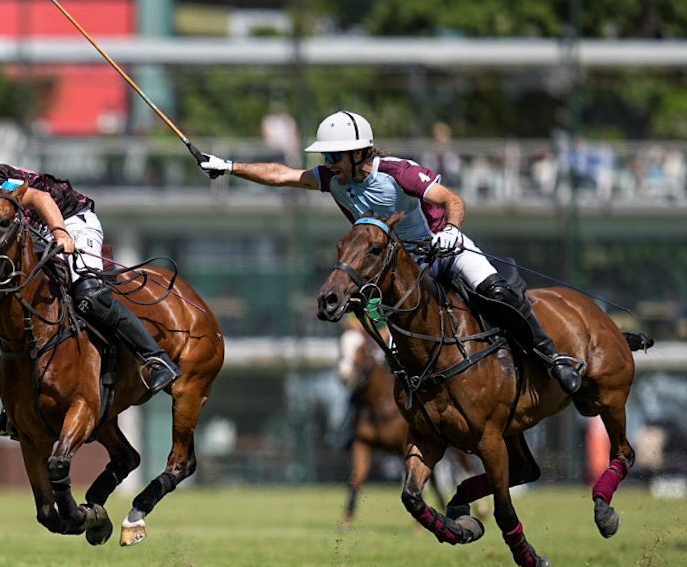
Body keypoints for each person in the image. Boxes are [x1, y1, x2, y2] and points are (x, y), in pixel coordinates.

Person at [193, 110, 582, 394]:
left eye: (333, 156)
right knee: (371, 318)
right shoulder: (333, 179)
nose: (327, 164)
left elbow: (452, 199)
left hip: (441, 248)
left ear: (359, 153)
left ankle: (553, 359)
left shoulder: (398, 172)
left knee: (497, 291)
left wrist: (450, 230)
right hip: (396, 267)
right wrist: (228, 167)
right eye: (326, 158)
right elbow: (283, 175)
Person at [0, 150, 181, 436]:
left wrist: (61, 233)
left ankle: (155, 359)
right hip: (37, 236)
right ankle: (12, 409)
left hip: (69, 219)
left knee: (88, 293)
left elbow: (40, 198)